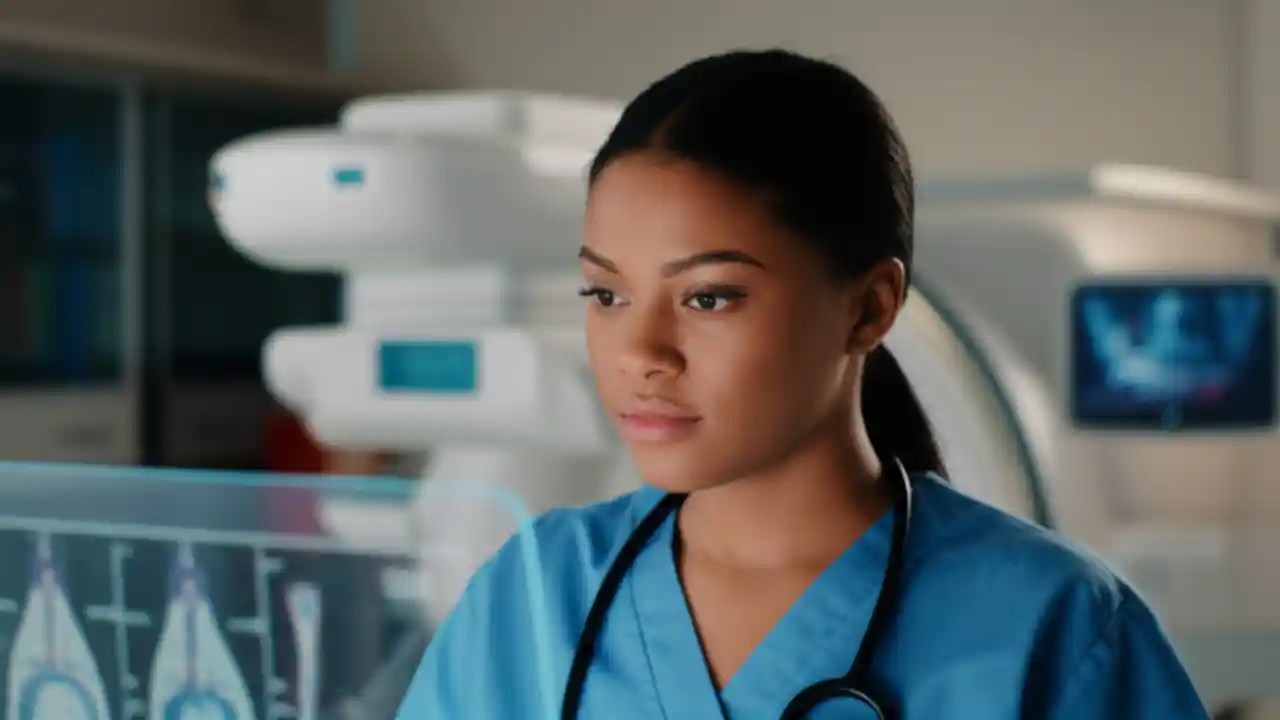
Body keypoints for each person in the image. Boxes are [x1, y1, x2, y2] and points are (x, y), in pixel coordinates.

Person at [395, 49, 1208, 718]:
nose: (641, 352)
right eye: (607, 294)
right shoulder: (534, 597)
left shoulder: (1056, 629)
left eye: (708, 297)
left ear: (868, 308)